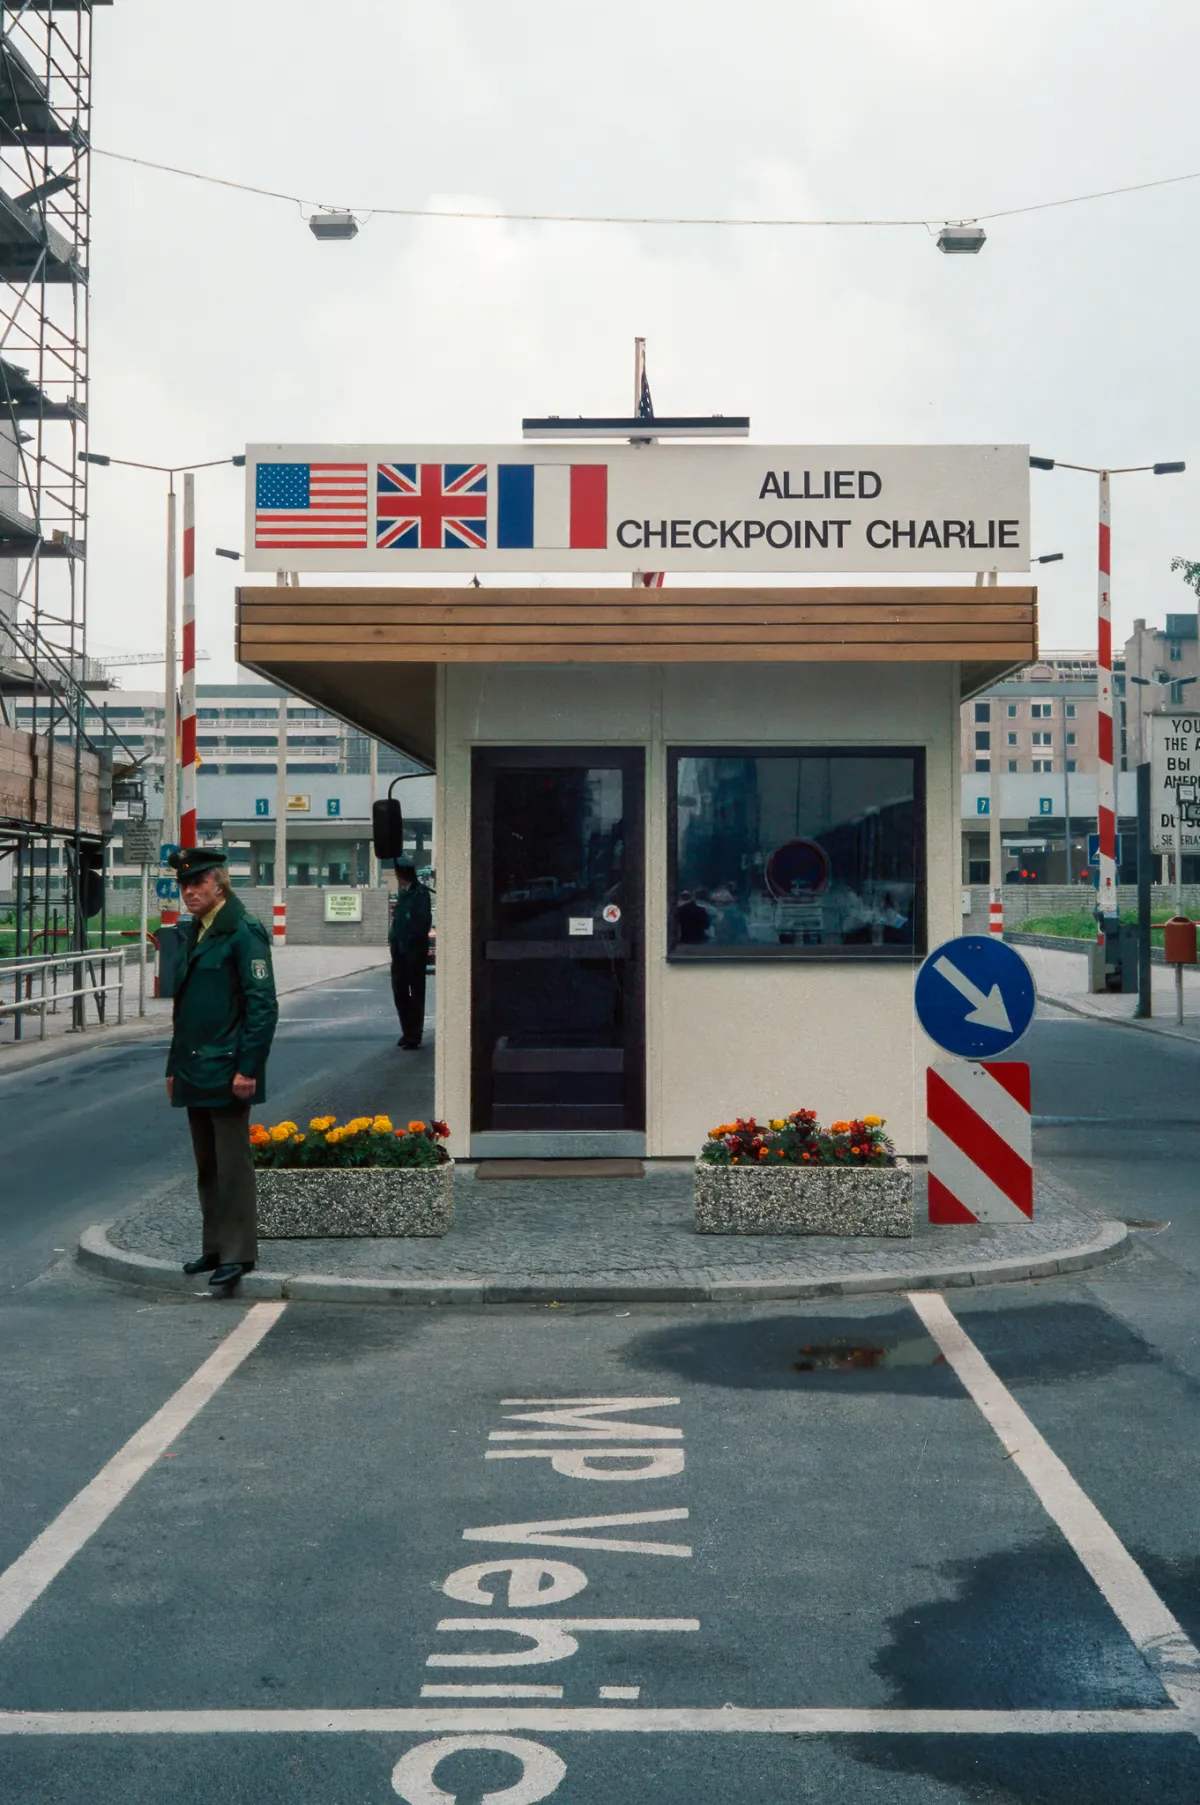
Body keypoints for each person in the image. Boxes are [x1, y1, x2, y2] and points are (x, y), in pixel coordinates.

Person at [165, 848, 278, 1291]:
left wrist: (248, 1067)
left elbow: (262, 1006)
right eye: (184, 885)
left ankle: (238, 1253)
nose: (189, 891)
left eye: (198, 883)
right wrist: (174, 1067)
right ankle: (214, 1246)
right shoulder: (197, 930)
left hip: (230, 1068)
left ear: (219, 884)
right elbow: (185, 1010)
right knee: (207, 1163)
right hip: (195, 1067)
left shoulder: (242, 931)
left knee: (233, 1163)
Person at [389, 861, 432, 1048]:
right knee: (399, 992)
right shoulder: (404, 893)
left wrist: (412, 939)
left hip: (414, 950)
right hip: (399, 950)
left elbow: (422, 921)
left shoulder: (420, 893)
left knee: (415, 993)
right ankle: (406, 1031)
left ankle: (414, 1035)